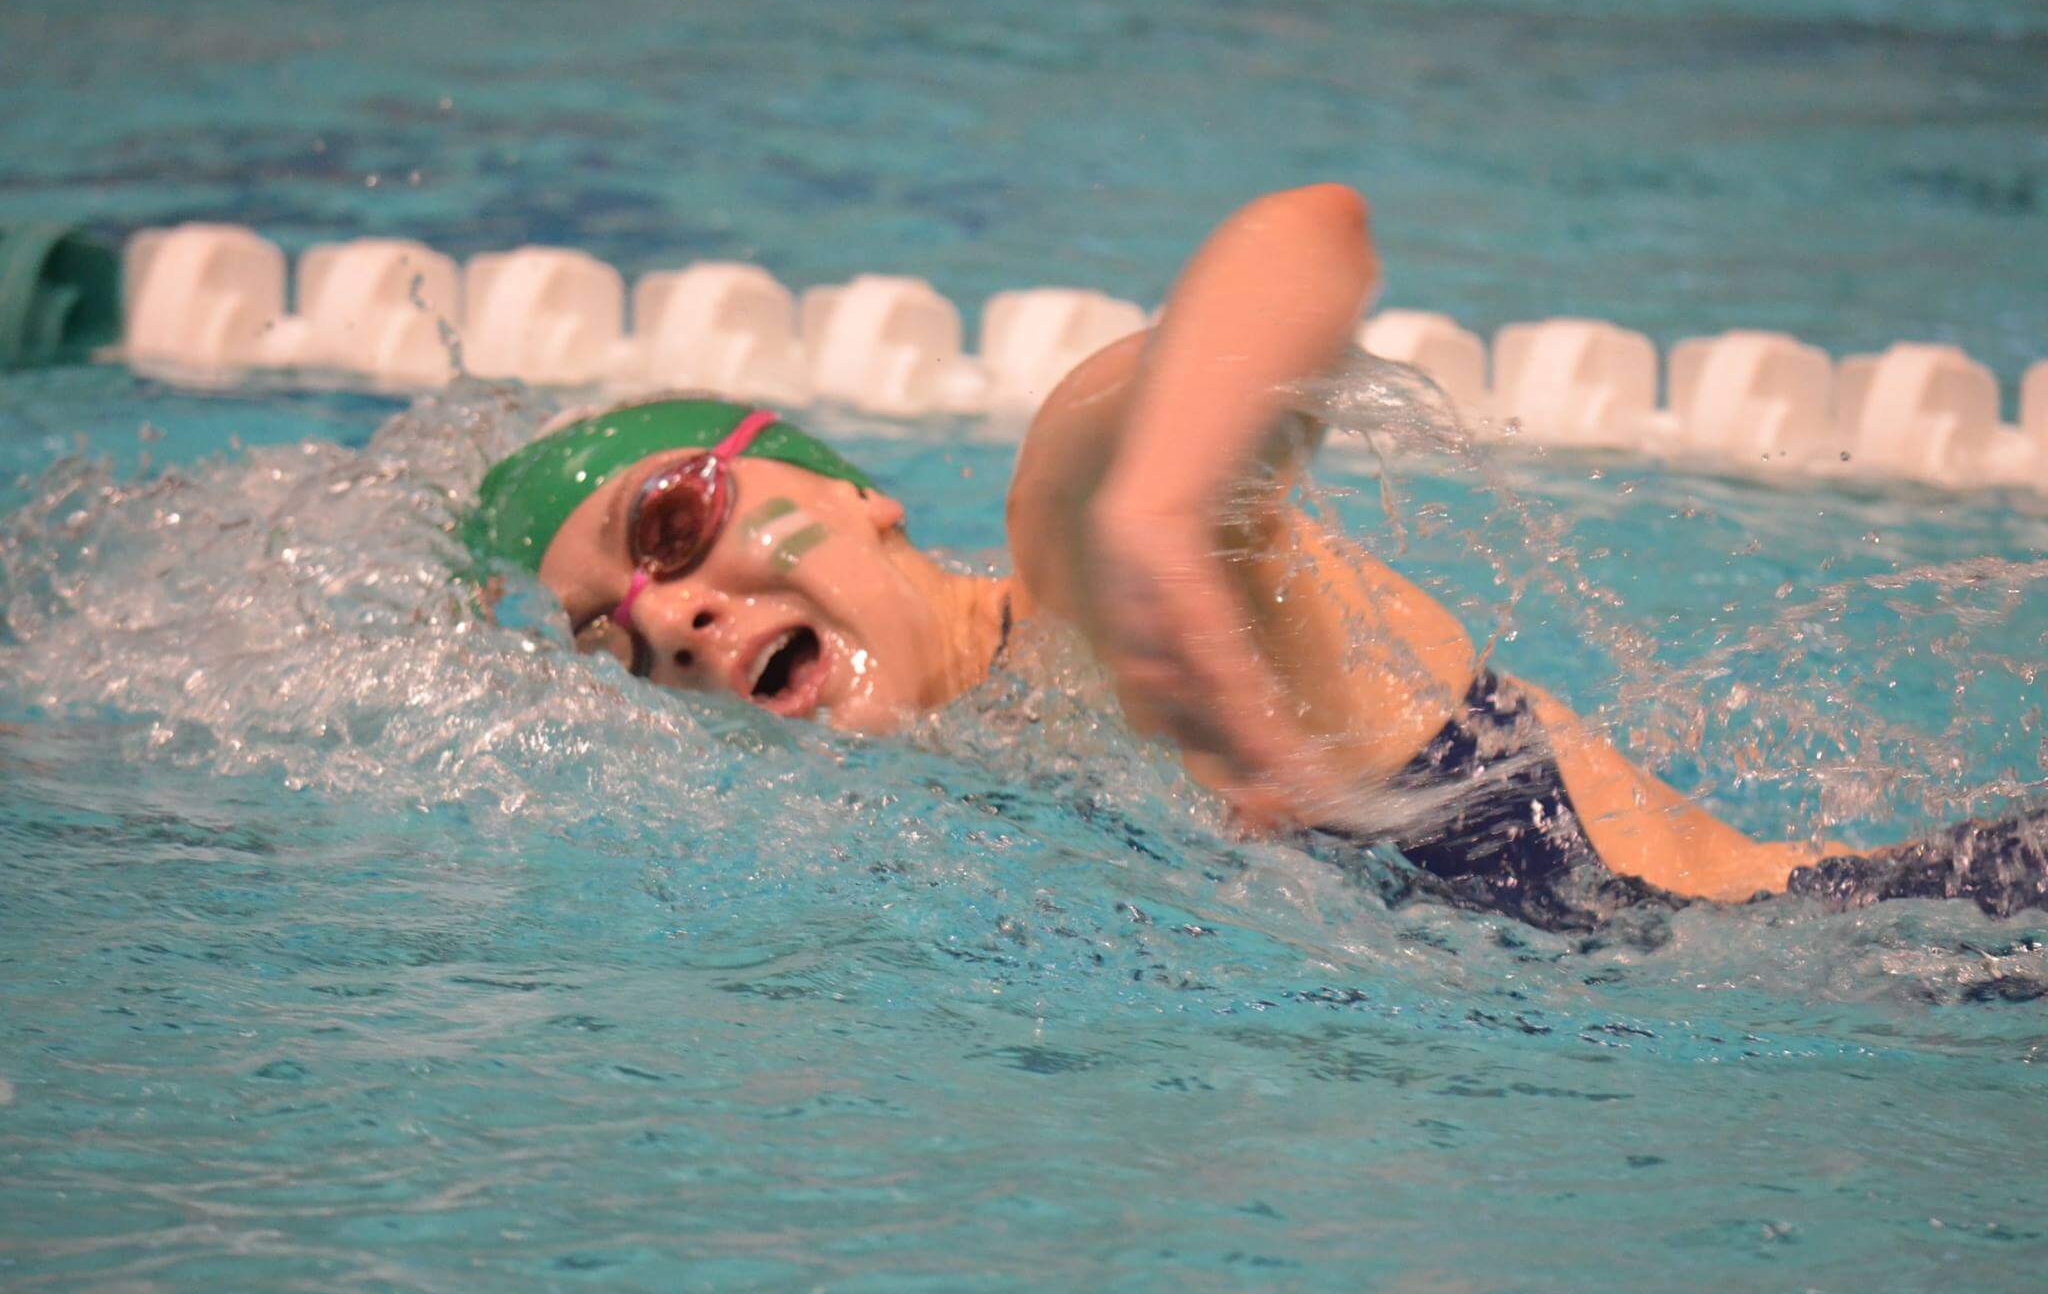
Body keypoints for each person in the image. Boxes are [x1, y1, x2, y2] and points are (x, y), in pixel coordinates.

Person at [463, 184, 2044, 930]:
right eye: (615, 636)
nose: (666, 613)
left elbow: (1312, 233)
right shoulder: (978, 795)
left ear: (861, 492)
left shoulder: (1076, 567)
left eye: (670, 526)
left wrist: (1159, 508)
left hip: (1932, 940)